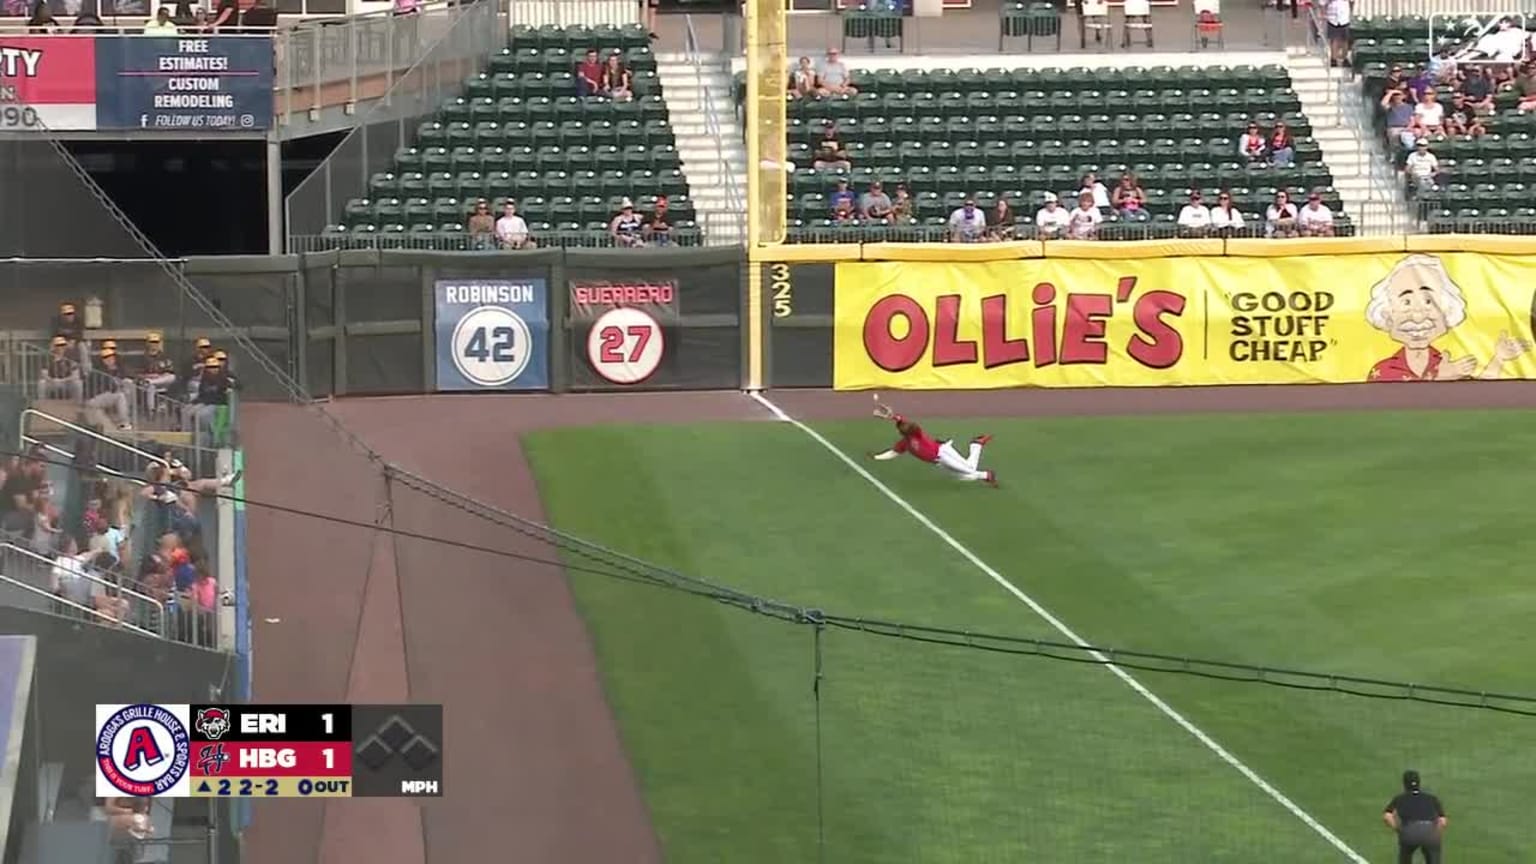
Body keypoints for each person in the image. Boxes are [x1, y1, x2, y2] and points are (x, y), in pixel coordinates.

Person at [866, 402, 997, 486]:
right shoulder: (904, 443)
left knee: (969, 470)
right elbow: (893, 453)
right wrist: (877, 457)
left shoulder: (916, 432)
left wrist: (895, 417)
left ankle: (977, 449)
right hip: (939, 462)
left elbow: (907, 424)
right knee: (964, 476)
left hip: (943, 453)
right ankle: (984, 469)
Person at [1384, 769, 1446, 863]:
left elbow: (1387, 815)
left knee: (1405, 857)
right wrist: (1434, 833)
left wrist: (1398, 829)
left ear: (1404, 784)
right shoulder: (1431, 798)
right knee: (1434, 858)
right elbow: (1442, 820)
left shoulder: (1400, 798)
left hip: (1409, 830)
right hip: (1429, 831)